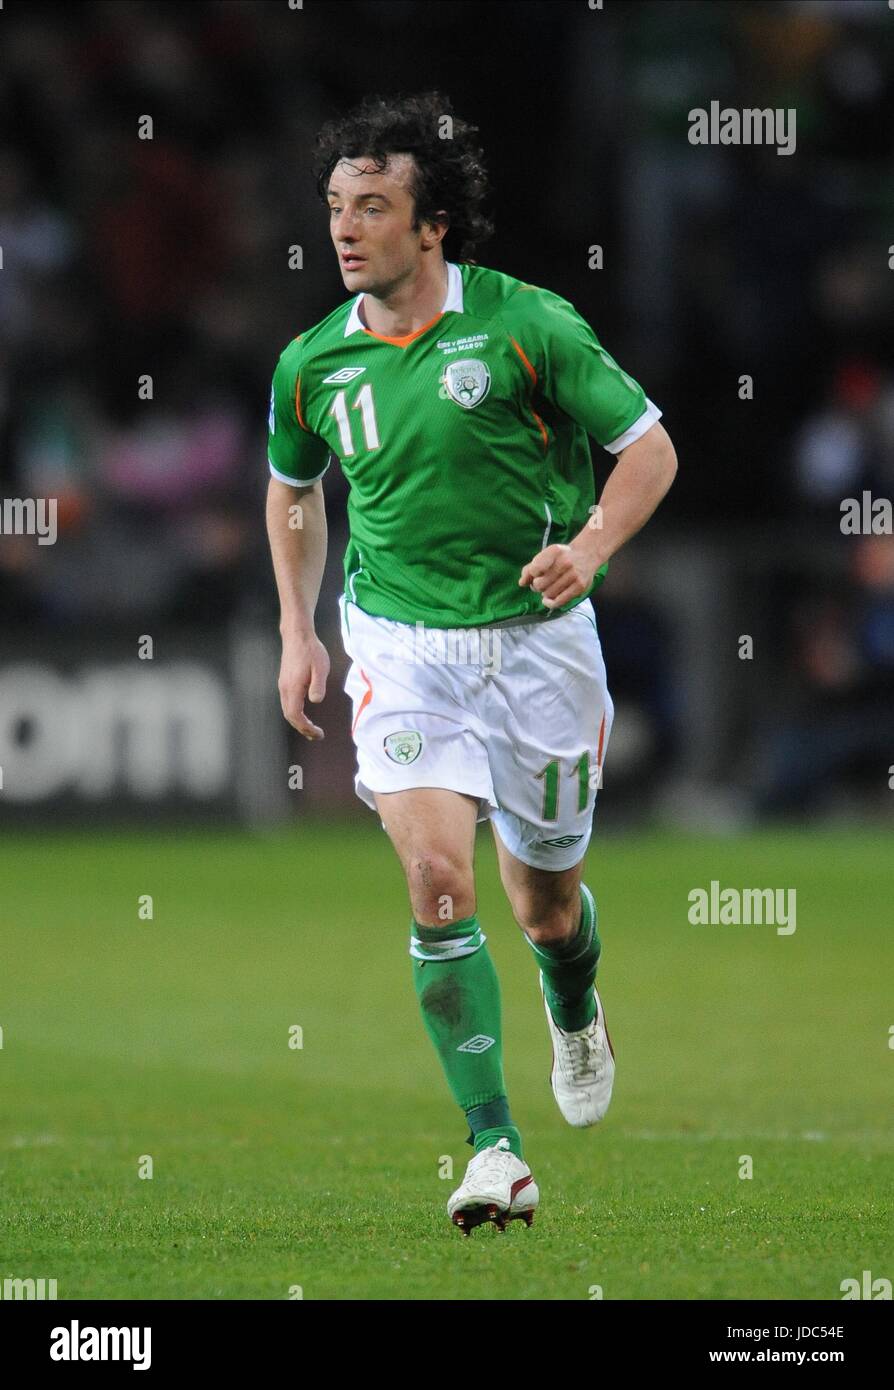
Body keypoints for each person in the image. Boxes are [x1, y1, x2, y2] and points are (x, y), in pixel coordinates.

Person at [265, 92, 677, 1234]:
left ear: (433, 222)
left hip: (538, 648)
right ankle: (495, 1147)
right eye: (337, 207)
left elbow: (648, 447)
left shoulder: (528, 326)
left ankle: (574, 1001)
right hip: (399, 642)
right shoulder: (312, 364)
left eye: (375, 207)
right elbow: (292, 489)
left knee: (546, 906)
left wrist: (590, 546)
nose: (346, 230)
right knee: (439, 880)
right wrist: (299, 628)